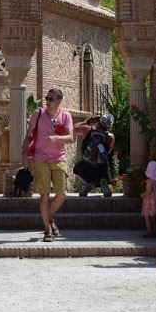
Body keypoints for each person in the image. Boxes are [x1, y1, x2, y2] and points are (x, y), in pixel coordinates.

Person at [24, 87, 75, 241]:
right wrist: (24, 156)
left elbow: (71, 138)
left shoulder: (66, 115)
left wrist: (56, 138)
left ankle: (50, 216)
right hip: (40, 159)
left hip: (59, 158)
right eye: (47, 98)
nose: (48, 101)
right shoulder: (38, 114)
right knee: (44, 195)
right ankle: (47, 230)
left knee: (61, 194)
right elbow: (28, 135)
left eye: (51, 99)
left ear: (59, 101)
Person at [73, 113, 117, 196]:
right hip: (102, 167)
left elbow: (72, 128)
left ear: (99, 121)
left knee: (76, 169)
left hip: (86, 166)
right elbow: (108, 151)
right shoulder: (110, 137)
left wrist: (87, 121)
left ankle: (89, 184)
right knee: (109, 183)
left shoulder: (87, 130)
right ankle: (105, 186)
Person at [140, 157, 156, 236]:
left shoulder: (149, 181)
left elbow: (149, 191)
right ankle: (155, 231)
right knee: (153, 217)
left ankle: (149, 231)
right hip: (155, 202)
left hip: (148, 203)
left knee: (147, 217)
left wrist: (142, 195)